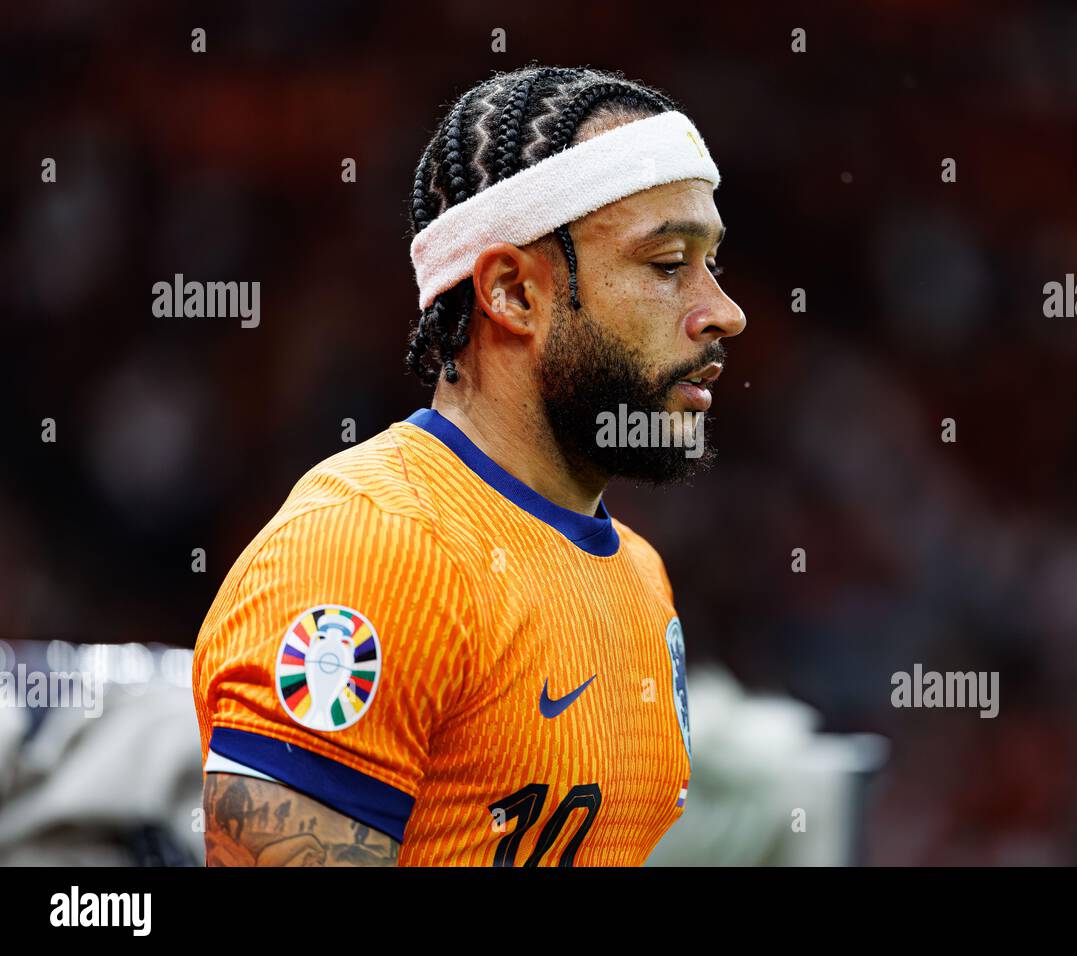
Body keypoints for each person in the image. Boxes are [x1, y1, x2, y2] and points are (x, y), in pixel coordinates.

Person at [193, 65, 746, 866]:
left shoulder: (641, 576)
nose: (724, 311)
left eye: (712, 263)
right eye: (667, 265)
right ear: (513, 293)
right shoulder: (370, 547)